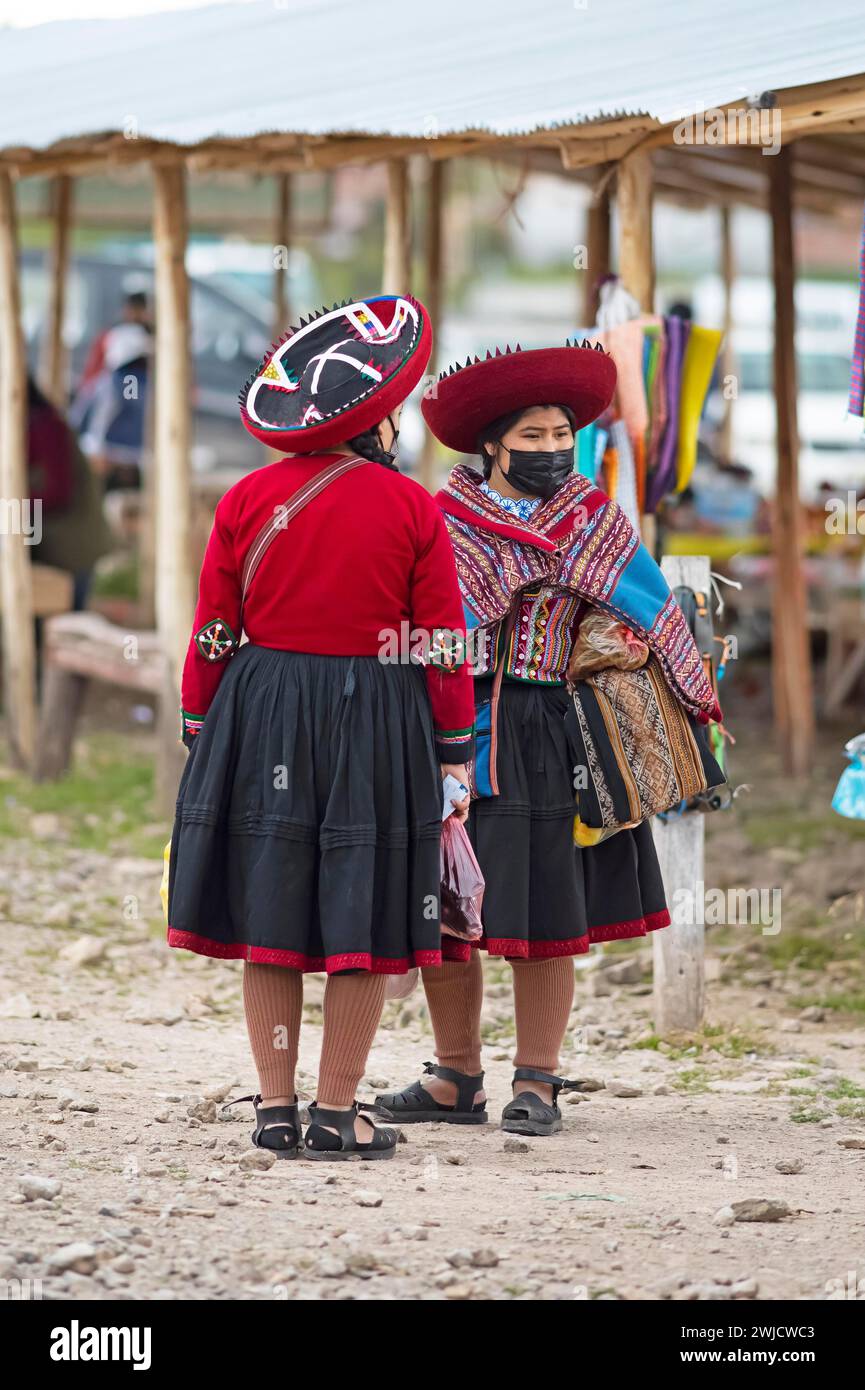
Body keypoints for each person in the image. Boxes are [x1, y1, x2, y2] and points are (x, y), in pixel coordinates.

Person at [377, 341, 722, 1137]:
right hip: (453, 725)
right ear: (491, 444)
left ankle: (537, 1080)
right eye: (530, 436)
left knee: (542, 919)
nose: (550, 450)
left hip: (554, 736)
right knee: (448, 912)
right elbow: (416, 617)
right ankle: (454, 1076)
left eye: (560, 434)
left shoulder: (594, 519)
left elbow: (652, 609)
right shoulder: (438, 517)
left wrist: (680, 692)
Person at [167, 295, 476, 1162]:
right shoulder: (413, 509)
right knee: (364, 916)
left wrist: (202, 724)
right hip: (376, 716)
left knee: (270, 910)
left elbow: (212, 630)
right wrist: (454, 750)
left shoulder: (244, 498)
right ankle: (337, 1115)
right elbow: (441, 644)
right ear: (375, 420)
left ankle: (274, 1109)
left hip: (259, 709)